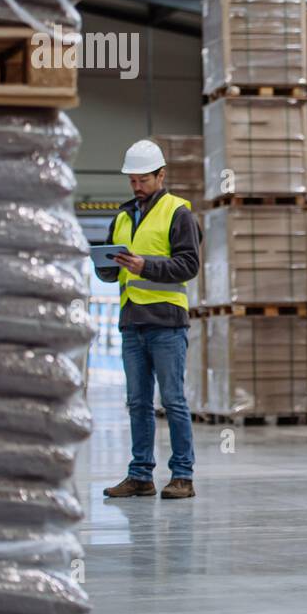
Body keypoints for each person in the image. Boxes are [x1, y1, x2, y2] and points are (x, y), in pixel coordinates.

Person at [97, 139, 202, 500]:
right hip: (132, 322)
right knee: (137, 403)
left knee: (173, 400)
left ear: (161, 175)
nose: (137, 186)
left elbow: (189, 265)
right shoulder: (123, 216)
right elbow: (113, 273)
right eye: (132, 180)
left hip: (167, 323)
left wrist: (147, 265)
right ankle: (140, 475)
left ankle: (182, 476)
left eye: (143, 179)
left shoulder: (178, 213)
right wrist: (106, 266)